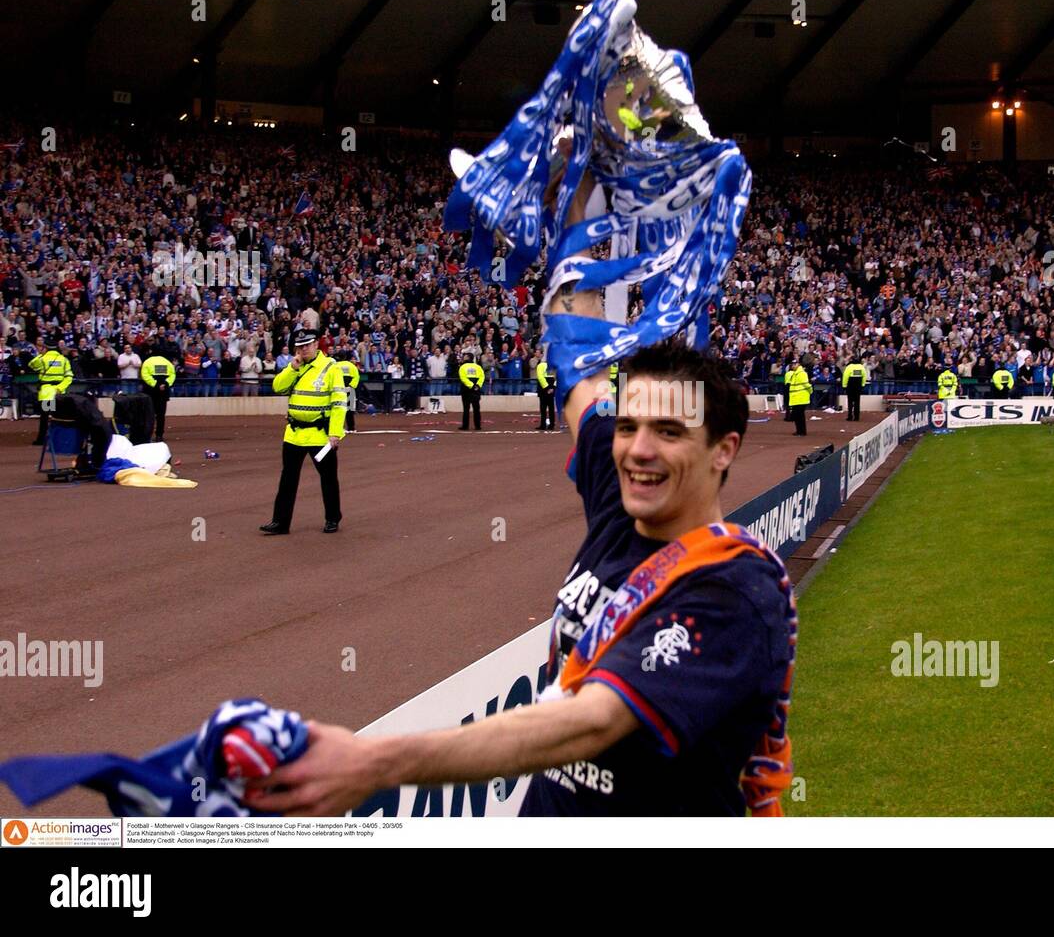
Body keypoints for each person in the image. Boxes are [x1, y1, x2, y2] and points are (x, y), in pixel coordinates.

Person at [245, 344, 796, 817]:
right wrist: (575, 239)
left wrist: (372, 763)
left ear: (724, 449)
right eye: (628, 426)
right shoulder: (626, 499)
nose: (639, 449)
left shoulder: (733, 588)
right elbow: (580, 372)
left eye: (670, 431)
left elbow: (591, 723)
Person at [259, 328, 346, 535]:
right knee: (287, 480)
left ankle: (332, 518)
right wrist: (292, 368)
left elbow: (339, 403)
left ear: (316, 344)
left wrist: (335, 433)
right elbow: (277, 387)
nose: (303, 350)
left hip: (320, 435)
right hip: (294, 433)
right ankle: (280, 522)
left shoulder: (330, 368)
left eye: (306, 345)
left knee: (328, 478)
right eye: (299, 347)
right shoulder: (296, 366)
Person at [28, 338, 73, 446]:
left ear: (46, 347)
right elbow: (69, 377)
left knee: (45, 418)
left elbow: (32, 365)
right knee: (59, 417)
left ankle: (41, 440)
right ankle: (61, 439)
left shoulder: (43, 359)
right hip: (59, 394)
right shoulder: (63, 359)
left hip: (46, 393)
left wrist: (41, 354)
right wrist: (60, 388)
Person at [139, 348, 176, 442]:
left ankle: (147, 435)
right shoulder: (167, 362)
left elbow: (145, 375)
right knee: (161, 415)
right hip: (163, 393)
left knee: (149, 415)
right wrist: (166, 384)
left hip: (151, 392)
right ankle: (159, 435)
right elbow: (172, 375)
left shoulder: (147, 361)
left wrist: (155, 384)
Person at [334, 350, 361, 432]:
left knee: (339, 409)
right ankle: (351, 428)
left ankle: (339, 428)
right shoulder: (351, 366)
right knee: (350, 410)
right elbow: (356, 377)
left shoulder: (335, 365)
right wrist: (351, 386)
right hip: (349, 389)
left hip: (338, 390)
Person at [458, 353, 484, 431]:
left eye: (465, 356)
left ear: (468, 358)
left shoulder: (462, 367)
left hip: (466, 390)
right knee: (476, 409)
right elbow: (482, 377)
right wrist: (477, 386)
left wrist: (471, 386)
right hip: (476, 390)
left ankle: (465, 426)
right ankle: (478, 426)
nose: (463, 357)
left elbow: (463, 378)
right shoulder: (478, 367)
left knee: (466, 409)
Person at [787, 357, 812, 436]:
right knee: (798, 416)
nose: (793, 366)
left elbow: (806, 384)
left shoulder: (801, 373)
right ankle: (799, 431)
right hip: (797, 398)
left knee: (800, 416)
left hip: (801, 398)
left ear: (798, 364)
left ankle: (802, 431)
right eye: (792, 364)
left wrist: (810, 391)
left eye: (794, 364)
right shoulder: (795, 374)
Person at [536, 355, 557, 431]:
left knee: (543, 408)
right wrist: (553, 388)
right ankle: (551, 425)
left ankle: (543, 425)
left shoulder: (540, 365)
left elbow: (540, 377)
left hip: (543, 389)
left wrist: (547, 388)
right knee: (551, 408)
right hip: (551, 387)